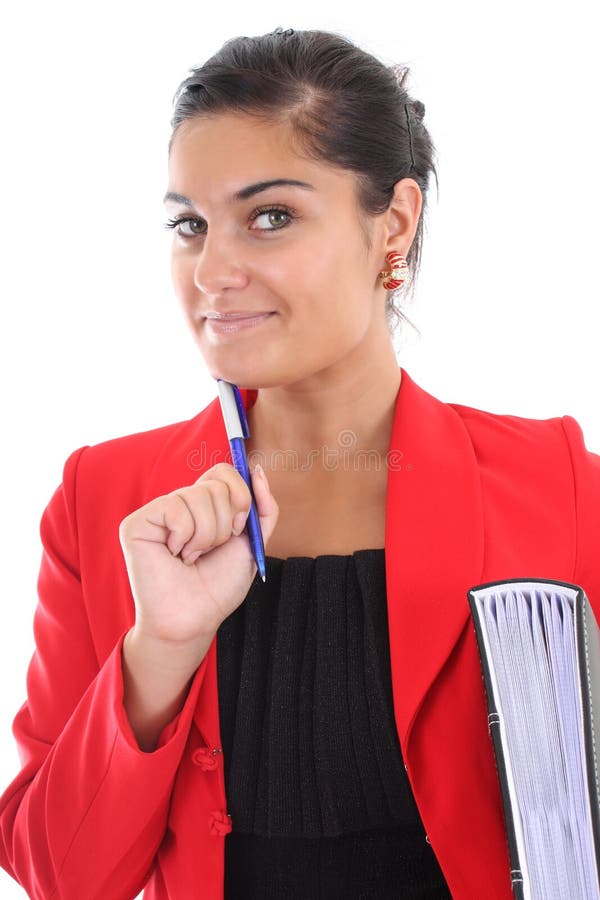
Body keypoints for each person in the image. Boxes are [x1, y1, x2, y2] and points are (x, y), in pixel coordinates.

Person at [0, 25, 598, 900]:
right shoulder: (107, 500)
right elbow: (62, 876)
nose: (212, 270)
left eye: (269, 217)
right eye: (190, 225)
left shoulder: (561, 487)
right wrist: (160, 647)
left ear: (392, 223)